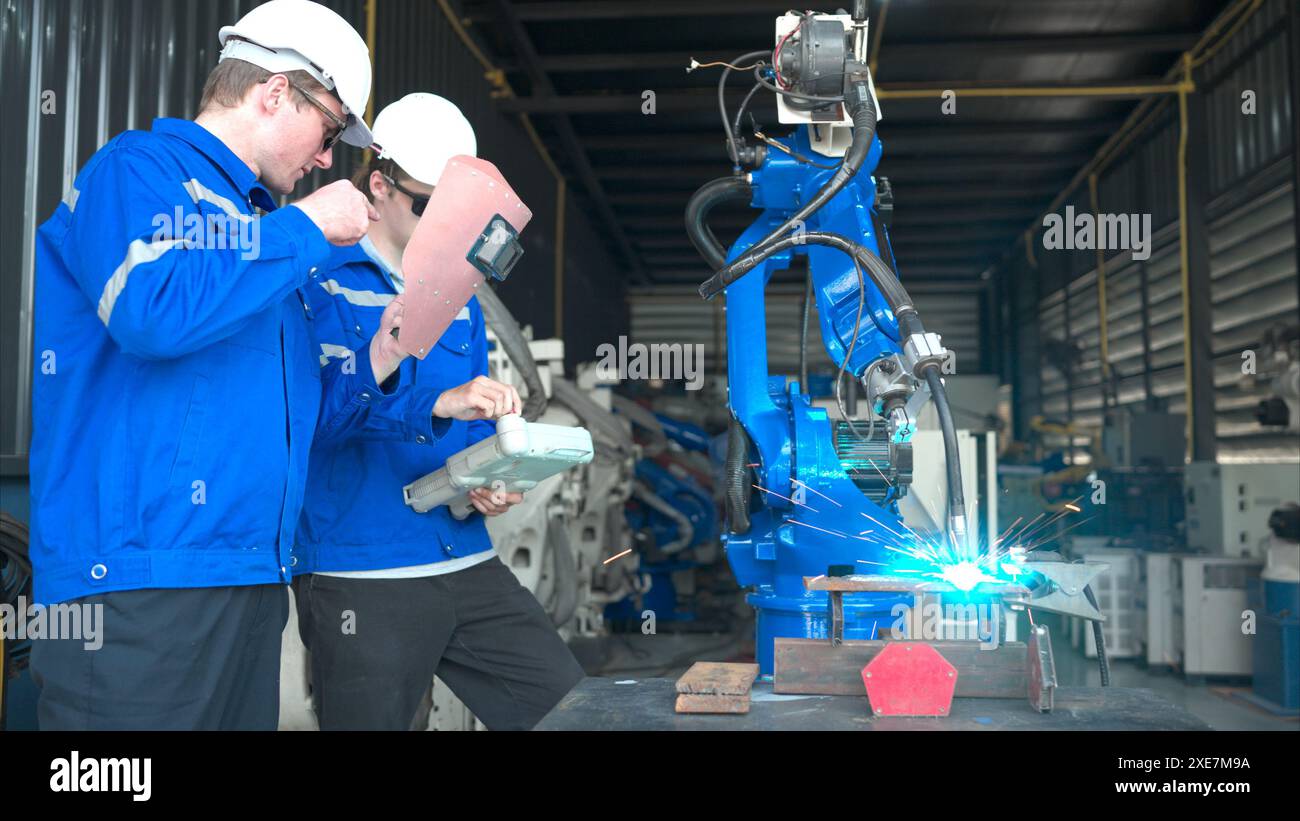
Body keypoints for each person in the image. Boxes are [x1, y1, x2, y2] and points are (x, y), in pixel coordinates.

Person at [27, 0, 417, 730]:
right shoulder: (138, 170)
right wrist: (301, 229)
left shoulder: (266, 234)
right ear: (275, 92)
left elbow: (304, 418)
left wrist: (385, 353)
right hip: (141, 590)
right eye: (331, 128)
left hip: (251, 579)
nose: (329, 157)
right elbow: (150, 307)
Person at [292, 92, 586, 731]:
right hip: (360, 572)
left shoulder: (462, 294)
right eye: (429, 205)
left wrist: (492, 476)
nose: (445, 226)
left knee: (570, 711)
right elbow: (310, 422)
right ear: (380, 186)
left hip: (464, 557)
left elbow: (466, 421)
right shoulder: (315, 278)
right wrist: (436, 400)